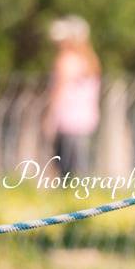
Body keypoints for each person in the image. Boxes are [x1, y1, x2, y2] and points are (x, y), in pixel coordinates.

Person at [45, 15, 102, 177]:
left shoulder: (66, 61)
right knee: (77, 167)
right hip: (85, 120)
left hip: (67, 120)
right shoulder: (90, 60)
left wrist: (50, 118)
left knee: (65, 169)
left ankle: (70, 198)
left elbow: (59, 93)